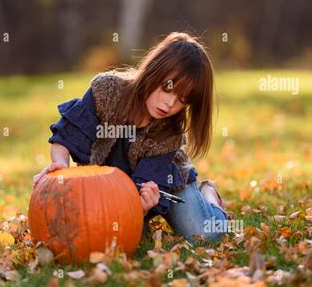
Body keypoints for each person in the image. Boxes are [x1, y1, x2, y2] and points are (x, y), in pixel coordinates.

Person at [33, 32, 229, 243]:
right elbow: (68, 134)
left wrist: (142, 209)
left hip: (167, 183)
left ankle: (208, 194)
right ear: (154, 71)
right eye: (166, 89)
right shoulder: (107, 90)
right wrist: (60, 166)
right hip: (109, 190)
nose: (170, 104)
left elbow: (140, 195)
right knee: (107, 234)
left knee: (206, 234)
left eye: (182, 100)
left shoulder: (170, 132)